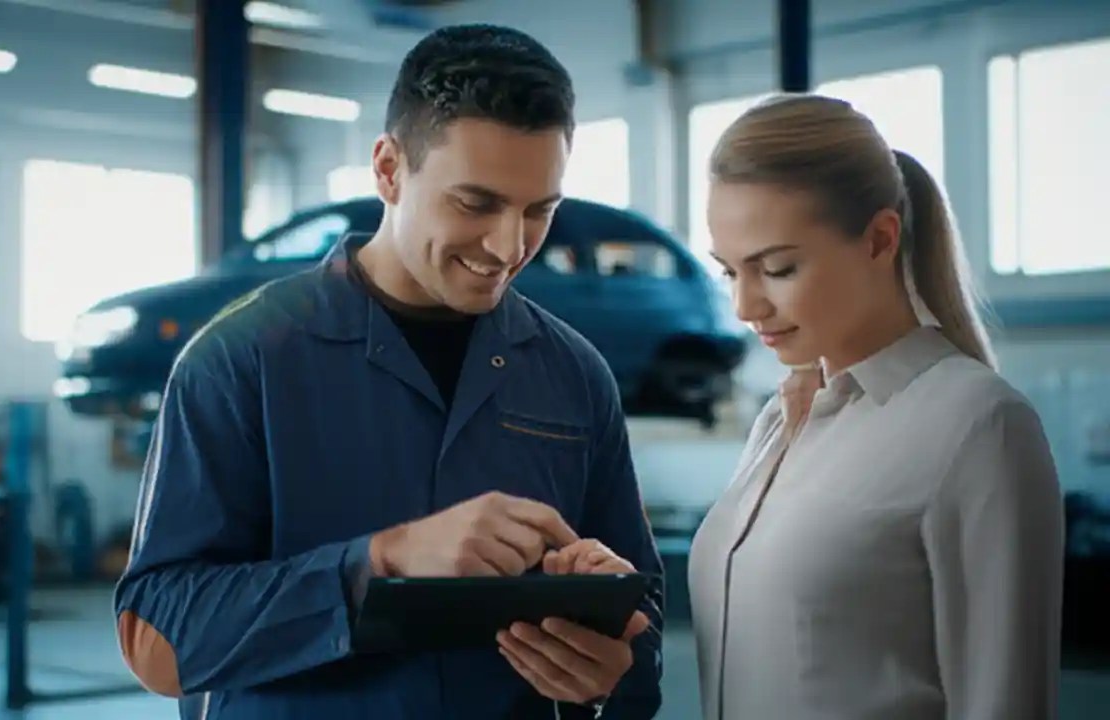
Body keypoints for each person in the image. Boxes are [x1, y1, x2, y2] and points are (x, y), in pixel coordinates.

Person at [112, 23, 665, 720]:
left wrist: (615, 669)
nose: (508, 246)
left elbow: (642, 622)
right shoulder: (242, 360)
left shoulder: (575, 375)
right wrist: (384, 560)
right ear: (388, 169)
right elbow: (158, 643)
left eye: (539, 211)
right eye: (476, 203)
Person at [687, 93, 1065, 720]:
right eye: (729, 273)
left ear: (880, 239)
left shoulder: (978, 425)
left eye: (777, 269)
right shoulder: (781, 419)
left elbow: (1004, 702)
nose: (745, 307)